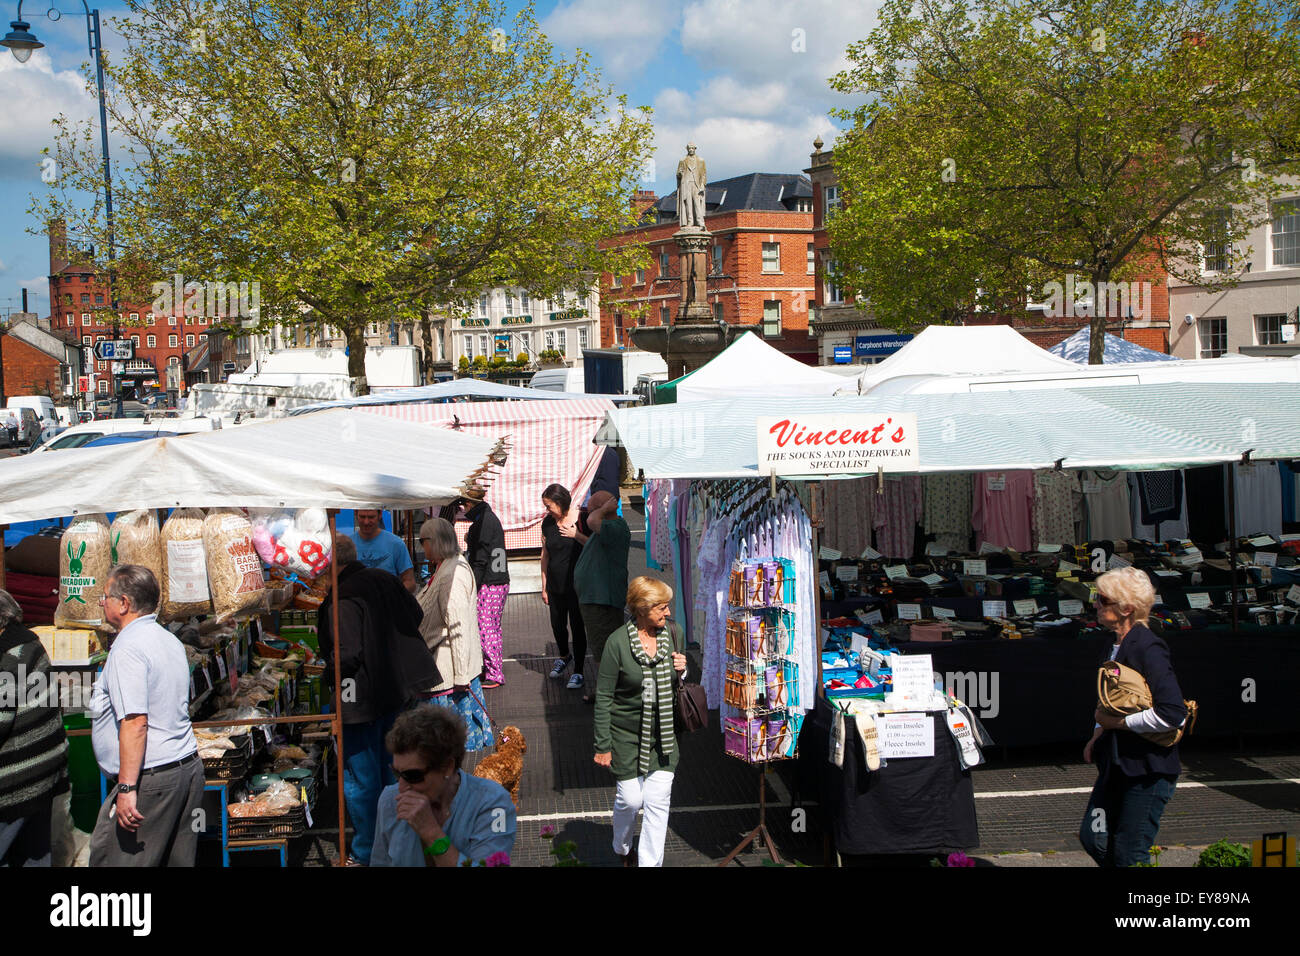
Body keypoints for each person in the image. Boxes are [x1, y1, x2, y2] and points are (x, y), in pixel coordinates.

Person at [317, 535, 438, 866]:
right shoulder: (383, 577)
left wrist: (326, 673)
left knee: (362, 782)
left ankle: (368, 853)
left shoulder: (342, 597)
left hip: (361, 701)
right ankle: (401, 843)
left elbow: (347, 655)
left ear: (331, 565)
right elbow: (414, 613)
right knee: (395, 775)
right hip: (396, 692)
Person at [88, 565, 204, 866]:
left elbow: (135, 722)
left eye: (105, 597)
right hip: (185, 770)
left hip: (153, 779)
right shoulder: (168, 640)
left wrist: (127, 788)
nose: (102, 603)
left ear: (124, 603)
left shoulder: (128, 647)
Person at [1078, 566, 1187, 867]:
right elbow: (1111, 700)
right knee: (1094, 837)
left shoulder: (1148, 647)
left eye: (1103, 599)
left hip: (1147, 769)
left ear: (1126, 608)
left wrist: (1117, 724)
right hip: (1117, 763)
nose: (1096, 605)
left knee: (1130, 854)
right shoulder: (1114, 645)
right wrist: (1098, 732)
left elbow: (1173, 714)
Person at [593, 576, 693, 867]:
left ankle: (649, 863)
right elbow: (604, 698)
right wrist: (603, 745)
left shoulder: (675, 633)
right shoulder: (617, 644)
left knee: (657, 803)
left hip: (665, 737)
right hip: (625, 737)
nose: (668, 613)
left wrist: (683, 671)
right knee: (632, 800)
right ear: (641, 608)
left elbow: (680, 685)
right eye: (662, 607)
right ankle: (622, 846)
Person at [370, 707, 516, 867]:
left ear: (447, 767)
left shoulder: (493, 803)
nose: (401, 787)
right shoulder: (389, 801)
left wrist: (431, 833)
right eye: (397, 774)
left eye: (413, 776)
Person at [0, 589, 68, 867]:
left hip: (17, 779)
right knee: (33, 855)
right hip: (44, 770)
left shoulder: (9, 658)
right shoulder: (30, 642)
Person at [415, 517, 493, 752]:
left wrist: (461, 677)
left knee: (449, 749)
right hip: (444, 669)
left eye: (423, 541)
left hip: (450, 675)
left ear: (435, 542)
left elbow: (456, 625)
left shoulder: (453, 574)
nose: (422, 547)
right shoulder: (446, 566)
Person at [574, 490, 630, 704]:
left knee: (604, 648)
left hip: (602, 599)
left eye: (592, 506)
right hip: (595, 597)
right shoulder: (606, 529)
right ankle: (607, 689)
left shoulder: (615, 527)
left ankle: (609, 694)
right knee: (600, 646)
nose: (588, 510)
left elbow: (591, 520)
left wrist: (604, 509)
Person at [540, 484, 588, 689]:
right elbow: (545, 554)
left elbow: (595, 546)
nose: (547, 510)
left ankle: (578, 670)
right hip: (555, 584)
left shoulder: (582, 520)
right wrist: (543, 585)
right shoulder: (547, 524)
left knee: (577, 627)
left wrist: (575, 535)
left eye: (549, 506)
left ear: (560, 503)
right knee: (558, 625)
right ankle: (564, 655)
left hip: (576, 586)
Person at [462, 497, 510, 689]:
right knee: (491, 627)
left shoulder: (483, 522)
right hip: (497, 580)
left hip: (491, 581)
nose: (463, 511)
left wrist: (472, 585)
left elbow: (480, 559)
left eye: (464, 506)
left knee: (486, 628)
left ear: (470, 504)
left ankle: (494, 672)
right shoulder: (488, 518)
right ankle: (492, 669)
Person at [351, 509, 416, 592]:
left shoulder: (396, 544)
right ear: (355, 513)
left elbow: (410, 582)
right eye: (362, 517)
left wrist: (392, 596)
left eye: (371, 517)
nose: (366, 522)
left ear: (380, 514)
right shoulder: (348, 544)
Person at [676, 143, 707, 229]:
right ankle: (690, 221)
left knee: (697, 204)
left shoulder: (701, 160)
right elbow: (678, 174)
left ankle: (700, 222)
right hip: (686, 184)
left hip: (696, 184)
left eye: (692, 148)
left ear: (695, 149)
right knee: (688, 204)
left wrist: (702, 186)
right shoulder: (682, 160)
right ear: (687, 149)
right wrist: (680, 174)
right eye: (689, 148)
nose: (691, 150)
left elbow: (704, 175)